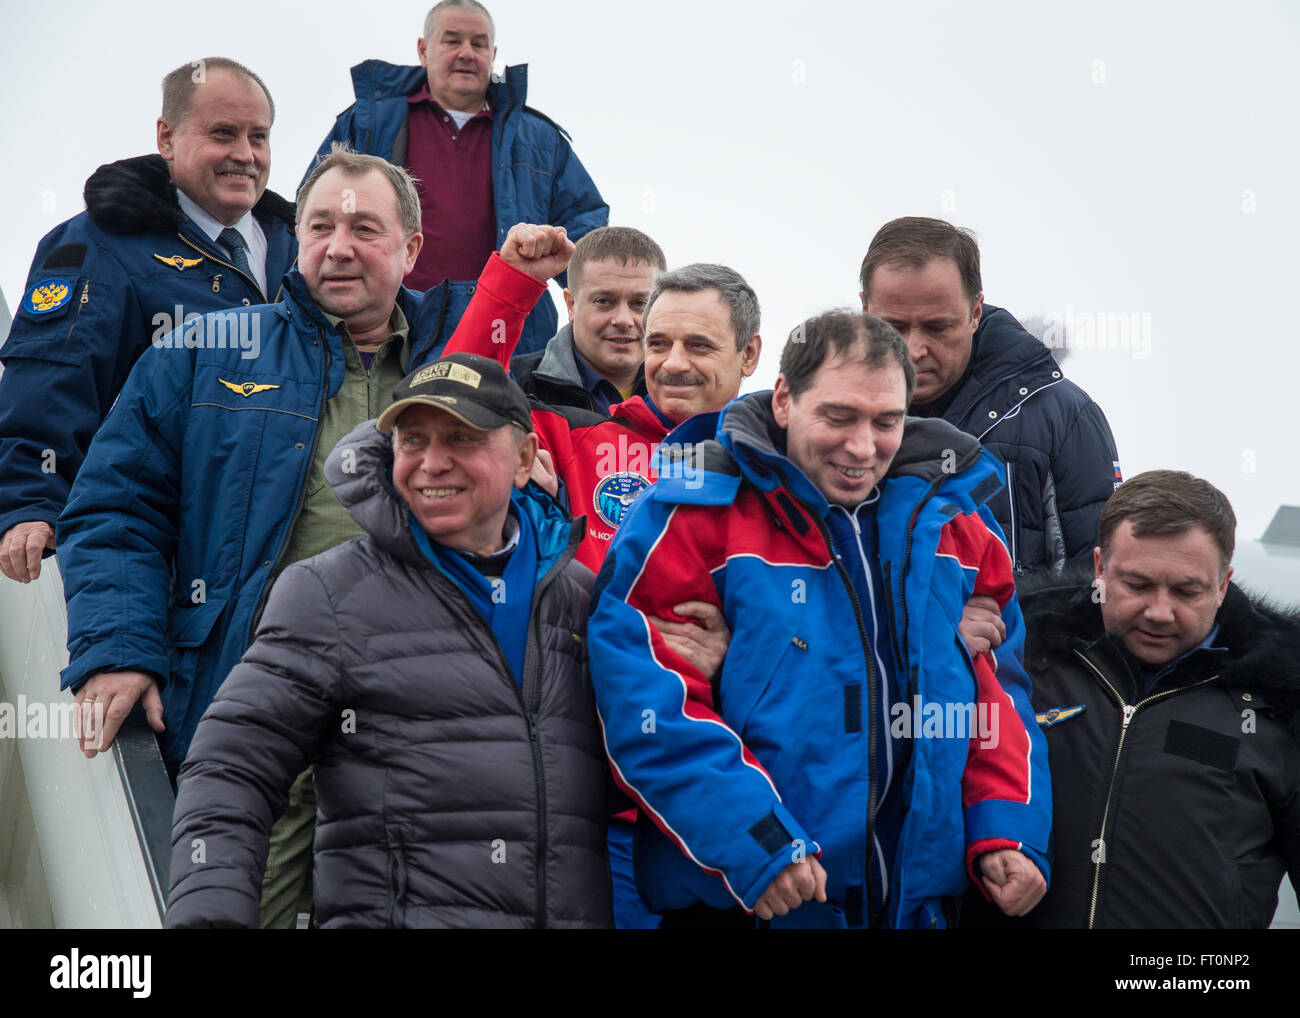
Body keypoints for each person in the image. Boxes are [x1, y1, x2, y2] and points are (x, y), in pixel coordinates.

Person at [55, 145, 571, 926]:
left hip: (420, 732)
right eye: (320, 224)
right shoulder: (204, 350)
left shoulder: (463, 373)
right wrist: (119, 644)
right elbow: (113, 505)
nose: (337, 246)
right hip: (255, 704)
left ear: (413, 249)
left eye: (365, 228)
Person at [586, 310, 1052, 928]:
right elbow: (646, 704)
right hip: (751, 901)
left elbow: (1001, 700)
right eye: (838, 417)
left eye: (886, 421)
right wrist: (756, 841)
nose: (863, 447)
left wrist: (1007, 827)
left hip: (920, 908)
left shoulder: (957, 523)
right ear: (783, 399)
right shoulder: (691, 509)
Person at [164, 354, 612, 928]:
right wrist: (210, 917)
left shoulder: (583, 597)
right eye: (413, 439)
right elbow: (232, 766)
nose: (431, 463)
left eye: (461, 437)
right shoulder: (328, 593)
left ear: (524, 457)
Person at [0, 57, 298, 583]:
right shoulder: (97, 244)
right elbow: (53, 379)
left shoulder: (306, 247)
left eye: (259, 136)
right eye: (223, 134)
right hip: (161, 541)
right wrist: (28, 501)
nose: (245, 155)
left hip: (292, 537)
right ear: (167, 137)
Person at [967, 470, 1300, 928]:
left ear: (1223, 584)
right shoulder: (1016, 662)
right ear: (1101, 567)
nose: (1160, 612)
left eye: (1188, 591)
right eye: (1138, 585)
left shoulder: (1282, 701)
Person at [310, 0, 608, 356]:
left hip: (507, 336)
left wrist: (593, 299)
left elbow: (586, 227)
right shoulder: (368, 123)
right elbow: (310, 210)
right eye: (452, 41)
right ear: (424, 50)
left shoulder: (538, 139)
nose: (467, 53)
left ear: (493, 53)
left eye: (479, 44)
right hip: (386, 331)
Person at [860, 216, 1120, 574]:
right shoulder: (820, 415)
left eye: (938, 327)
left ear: (975, 313)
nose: (914, 349)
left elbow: (1100, 586)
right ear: (864, 309)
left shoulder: (1063, 416)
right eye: (894, 327)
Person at [509, 226, 665, 414]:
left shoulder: (686, 389)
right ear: (571, 305)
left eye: (640, 303)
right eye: (604, 301)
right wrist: (509, 280)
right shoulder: (516, 387)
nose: (624, 320)